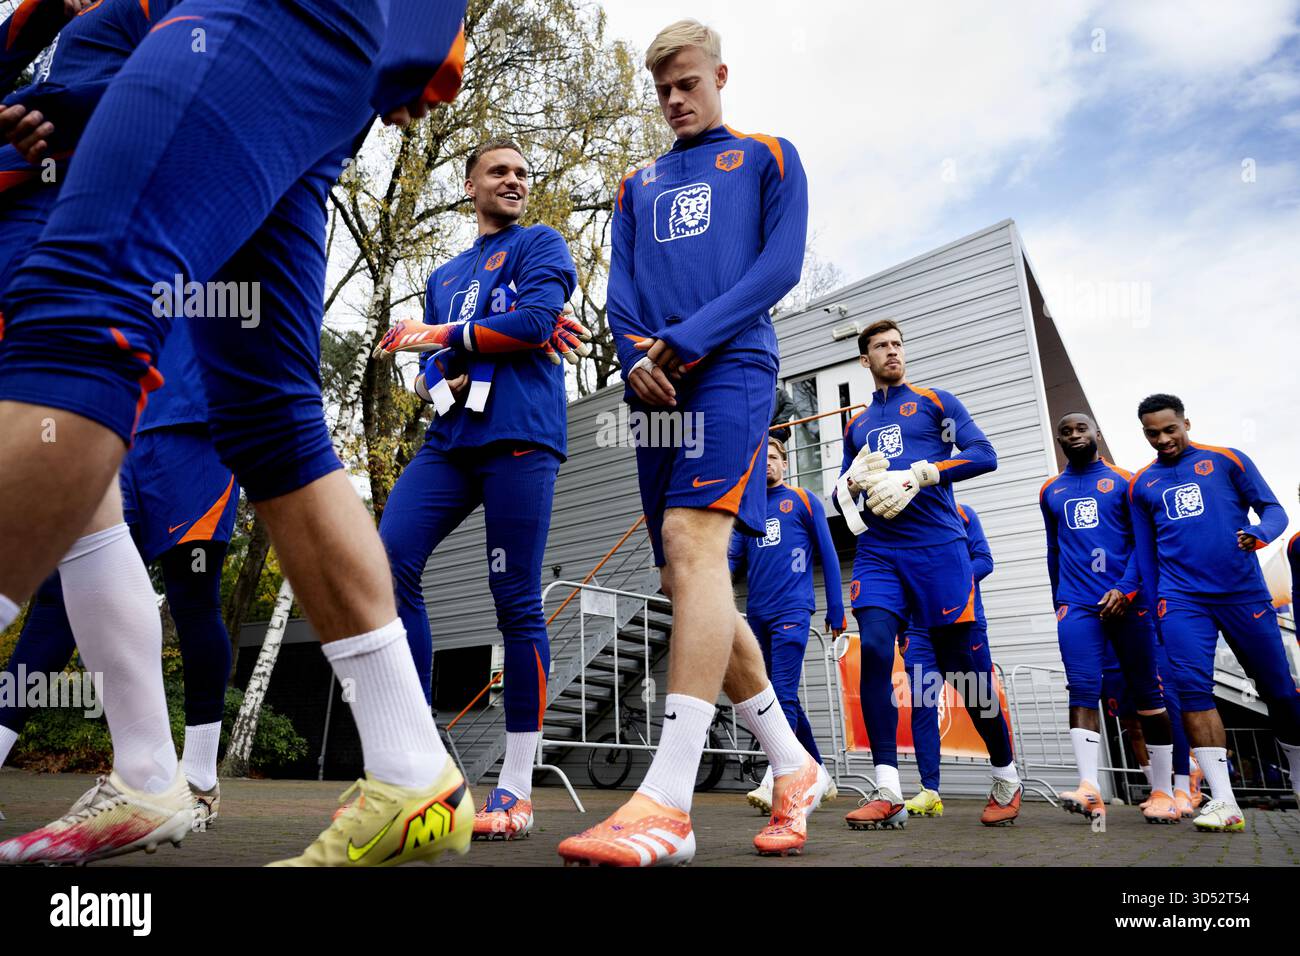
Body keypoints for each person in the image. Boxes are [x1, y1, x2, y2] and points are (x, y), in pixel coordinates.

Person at [0, 0, 484, 867]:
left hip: (271, 18)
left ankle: (166, 771)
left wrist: (416, 29)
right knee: (270, 417)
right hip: (275, 43)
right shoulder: (88, 24)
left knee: (80, 310)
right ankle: (413, 768)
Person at [557, 19, 822, 865]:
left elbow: (777, 270)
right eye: (663, 89)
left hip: (735, 366)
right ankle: (793, 764)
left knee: (689, 544)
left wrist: (692, 337)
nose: (675, 99)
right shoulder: (635, 184)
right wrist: (636, 355)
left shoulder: (770, 156)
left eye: (688, 83)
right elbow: (620, 291)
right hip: (655, 381)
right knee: (687, 575)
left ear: (720, 76)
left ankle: (668, 800)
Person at [0, 0, 240, 826]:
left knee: (193, 587)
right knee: (74, 557)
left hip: (175, 396)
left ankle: (195, 773)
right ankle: (148, 773)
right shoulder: (53, 36)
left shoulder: (183, 27)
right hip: (102, 369)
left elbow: (198, 102)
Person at [373, 136, 580, 843]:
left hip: (521, 436)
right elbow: (429, 369)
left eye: (524, 172)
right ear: (471, 187)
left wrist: (446, 338)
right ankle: (428, 762)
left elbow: (533, 324)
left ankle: (516, 788)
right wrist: (448, 367)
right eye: (500, 171)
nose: (516, 180)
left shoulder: (541, 244)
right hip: (453, 440)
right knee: (387, 561)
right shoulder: (444, 273)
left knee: (515, 600)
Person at [833, 318, 1020, 829]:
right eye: (880, 347)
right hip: (879, 551)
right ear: (864, 360)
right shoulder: (856, 425)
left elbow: (985, 456)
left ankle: (1005, 773)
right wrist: (849, 487)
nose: (892, 352)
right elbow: (846, 491)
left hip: (939, 551)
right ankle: (888, 788)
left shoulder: (938, 403)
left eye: (897, 344)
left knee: (967, 674)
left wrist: (926, 472)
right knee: (874, 646)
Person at [1129, 393, 1300, 830]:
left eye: (1170, 429)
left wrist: (1260, 534)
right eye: (1153, 433)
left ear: (1186, 422)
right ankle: (1225, 803)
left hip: (1242, 595)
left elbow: (1274, 510)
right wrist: (1155, 610)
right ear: (1145, 432)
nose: (1163, 439)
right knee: (1191, 692)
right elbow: (1146, 555)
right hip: (1181, 599)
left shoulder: (1227, 460)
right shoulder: (1142, 485)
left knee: (1279, 692)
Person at [1039, 412, 1179, 824]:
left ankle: (1165, 791)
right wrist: (1058, 600)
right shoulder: (1050, 489)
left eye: (1081, 428)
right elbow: (1054, 550)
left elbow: (1144, 542)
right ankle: (1089, 788)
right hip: (1077, 603)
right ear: (1059, 440)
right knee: (1081, 687)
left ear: (1096, 433)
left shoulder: (1126, 480)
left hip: (1128, 600)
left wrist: (1129, 588)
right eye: (1065, 432)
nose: (1073, 435)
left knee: (1147, 694)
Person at [728, 437, 845, 814]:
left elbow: (828, 555)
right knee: (777, 696)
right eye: (761, 459)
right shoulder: (749, 509)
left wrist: (837, 609)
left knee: (781, 694)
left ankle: (777, 778)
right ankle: (820, 773)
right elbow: (732, 559)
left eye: (774, 458)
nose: (767, 465)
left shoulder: (804, 500)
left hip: (793, 610)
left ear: (785, 463)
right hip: (757, 615)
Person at [901, 501, 994, 819]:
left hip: (962, 625)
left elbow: (985, 560)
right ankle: (930, 791)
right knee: (922, 706)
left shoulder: (964, 512)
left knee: (981, 703)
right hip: (920, 632)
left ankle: (1005, 777)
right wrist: (902, 633)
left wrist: (950, 581)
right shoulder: (902, 520)